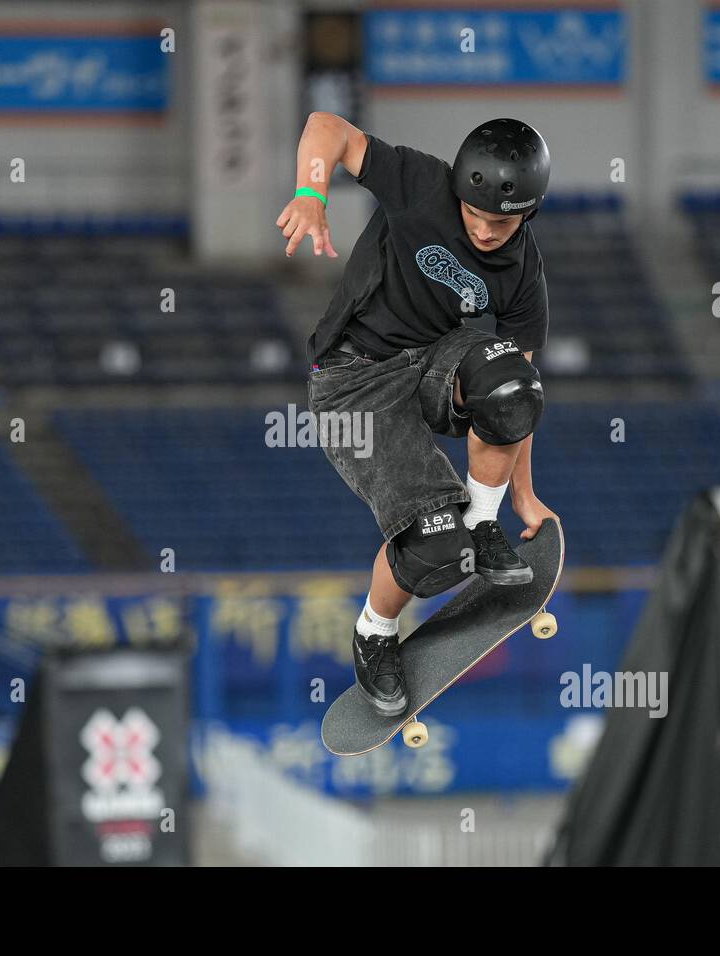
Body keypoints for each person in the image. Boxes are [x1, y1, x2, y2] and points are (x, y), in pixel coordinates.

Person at [275, 113, 558, 716]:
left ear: (527, 214)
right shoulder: (421, 184)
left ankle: (482, 522)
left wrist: (522, 497)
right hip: (353, 383)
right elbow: (328, 127)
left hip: (430, 365)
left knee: (510, 384)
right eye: (474, 214)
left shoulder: (524, 272)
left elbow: (523, 393)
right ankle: (375, 631)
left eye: (501, 222)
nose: (484, 232)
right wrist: (310, 192)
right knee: (437, 549)